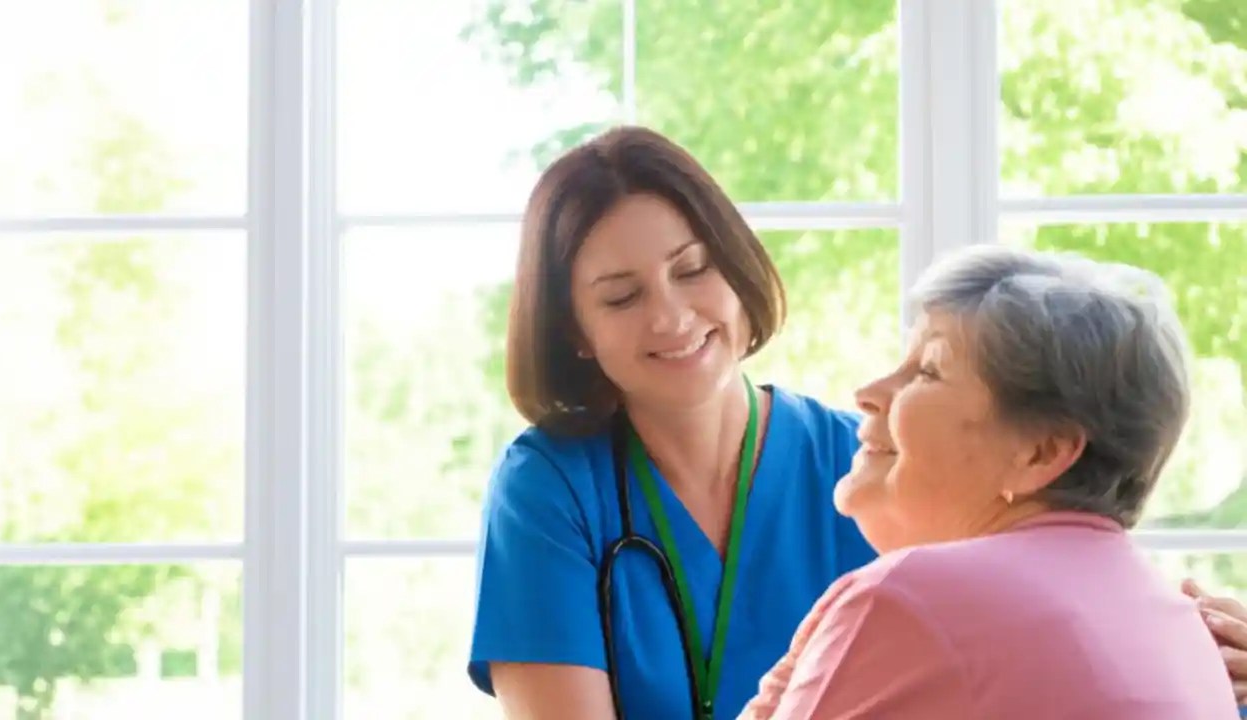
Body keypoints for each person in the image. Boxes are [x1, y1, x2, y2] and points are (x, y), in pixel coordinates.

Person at [465, 125, 1247, 719]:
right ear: (575, 329)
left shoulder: (870, 468)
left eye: (693, 269)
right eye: (621, 296)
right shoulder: (552, 487)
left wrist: (1197, 649)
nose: (671, 316)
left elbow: (1055, 570)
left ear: (735, 270)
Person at [739, 246, 1239, 718]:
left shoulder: (913, 597)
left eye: (928, 372)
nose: (867, 393)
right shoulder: (1178, 628)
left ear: (1041, 452)